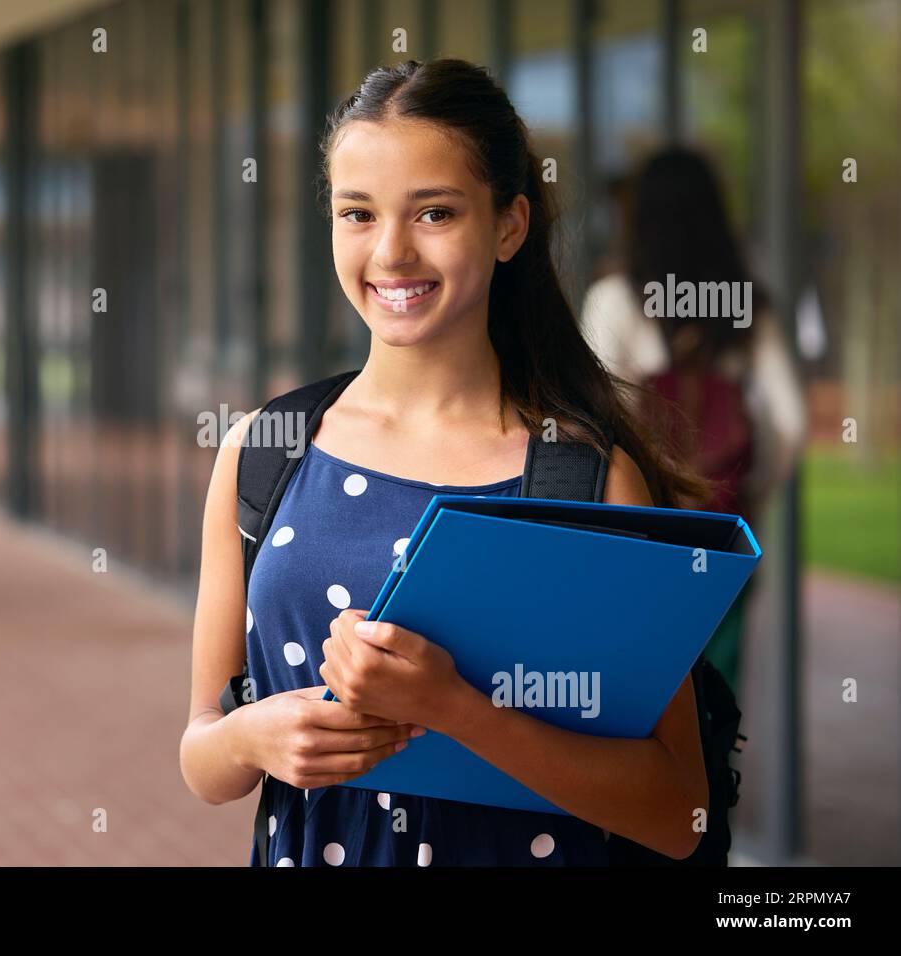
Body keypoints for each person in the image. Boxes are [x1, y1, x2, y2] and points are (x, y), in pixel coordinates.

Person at [180, 59, 714, 866]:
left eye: (434, 212)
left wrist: (455, 709)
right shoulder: (264, 450)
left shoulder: (583, 481)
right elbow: (203, 760)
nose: (391, 253)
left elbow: (681, 816)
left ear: (508, 226)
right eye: (356, 213)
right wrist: (253, 738)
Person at [579, 147, 806, 689]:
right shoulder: (750, 305)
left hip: (641, 542)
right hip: (726, 530)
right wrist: (748, 489)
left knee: (643, 697)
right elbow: (792, 422)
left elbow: (595, 424)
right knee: (718, 701)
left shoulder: (614, 299)